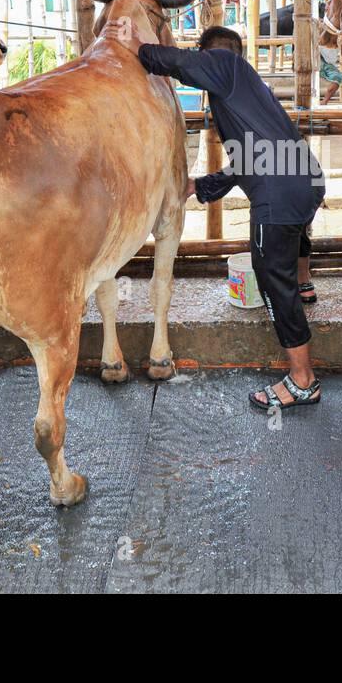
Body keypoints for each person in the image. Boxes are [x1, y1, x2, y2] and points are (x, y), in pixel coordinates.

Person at [138, 25, 325, 410]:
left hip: (277, 196)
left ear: (212, 55)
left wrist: (137, 49)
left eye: (203, 57)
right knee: (292, 248)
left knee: (273, 278)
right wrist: (200, 186)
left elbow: (175, 62)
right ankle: (304, 283)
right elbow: (245, 162)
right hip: (305, 181)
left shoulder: (224, 63)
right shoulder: (250, 93)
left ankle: (303, 380)